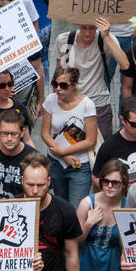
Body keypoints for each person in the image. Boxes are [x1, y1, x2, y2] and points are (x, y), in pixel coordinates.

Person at [40, 65, 98, 210]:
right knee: (61, 207)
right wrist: (61, 154)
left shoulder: (87, 105)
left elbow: (91, 140)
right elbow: (45, 133)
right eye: (55, 84)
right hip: (55, 162)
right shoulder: (51, 100)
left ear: (74, 85)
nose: (58, 89)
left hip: (79, 164)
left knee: (76, 209)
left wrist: (62, 152)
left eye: (63, 85)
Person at [91, 97, 136, 186]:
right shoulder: (109, 146)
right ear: (122, 120)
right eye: (135, 125)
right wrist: (118, 186)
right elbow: (96, 177)